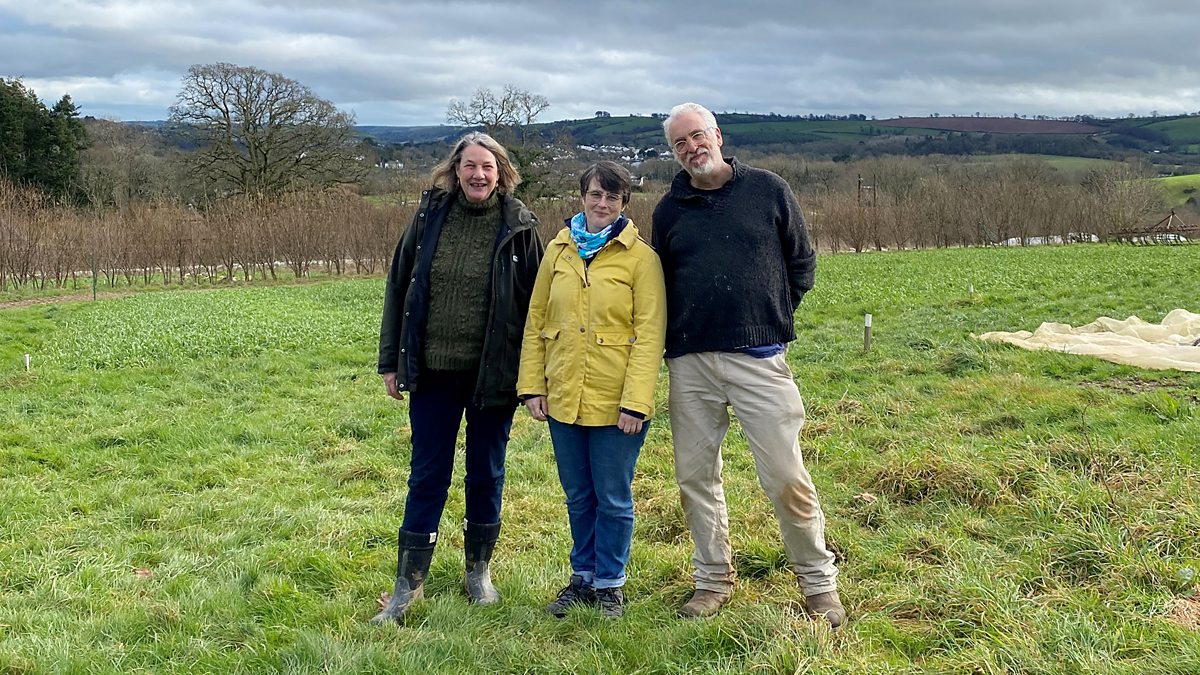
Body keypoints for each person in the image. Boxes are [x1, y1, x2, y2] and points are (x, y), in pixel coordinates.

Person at [651, 103, 847, 628]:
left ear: (717, 134)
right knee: (695, 477)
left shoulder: (768, 189)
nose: (692, 149)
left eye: (697, 136)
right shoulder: (668, 211)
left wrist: (771, 318)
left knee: (786, 476)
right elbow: (661, 285)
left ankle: (818, 584)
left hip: (759, 359)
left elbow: (801, 262)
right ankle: (712, 580)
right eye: (679, 144)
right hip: (690, 362)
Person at [372, 132, 544, 624]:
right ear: (455, 170)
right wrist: (391, 361)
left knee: (485, 473)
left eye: (487, 167)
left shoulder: (521, 226)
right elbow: (398, 285)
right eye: (470, 165)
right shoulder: (429, 218)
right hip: (433, 375)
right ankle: (409, 585)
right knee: (427, 475)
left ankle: (478, 572)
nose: (478, 175)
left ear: (502, 172)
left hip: (494, 376)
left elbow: (535, 308)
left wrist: (533, 377)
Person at [517, 161, 666, 619]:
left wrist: (636, 402)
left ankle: (610, 585)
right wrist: (532, 387)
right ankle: (581, 578)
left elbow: (650, 334)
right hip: (562, 398)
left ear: (624, 204)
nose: (602, 204)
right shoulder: (557, 251)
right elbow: (536, 322)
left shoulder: (642, 258)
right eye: (595, 195)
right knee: (578, 497)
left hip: (616, 403)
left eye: (613, 198)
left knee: (614, 498)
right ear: (581, 196)